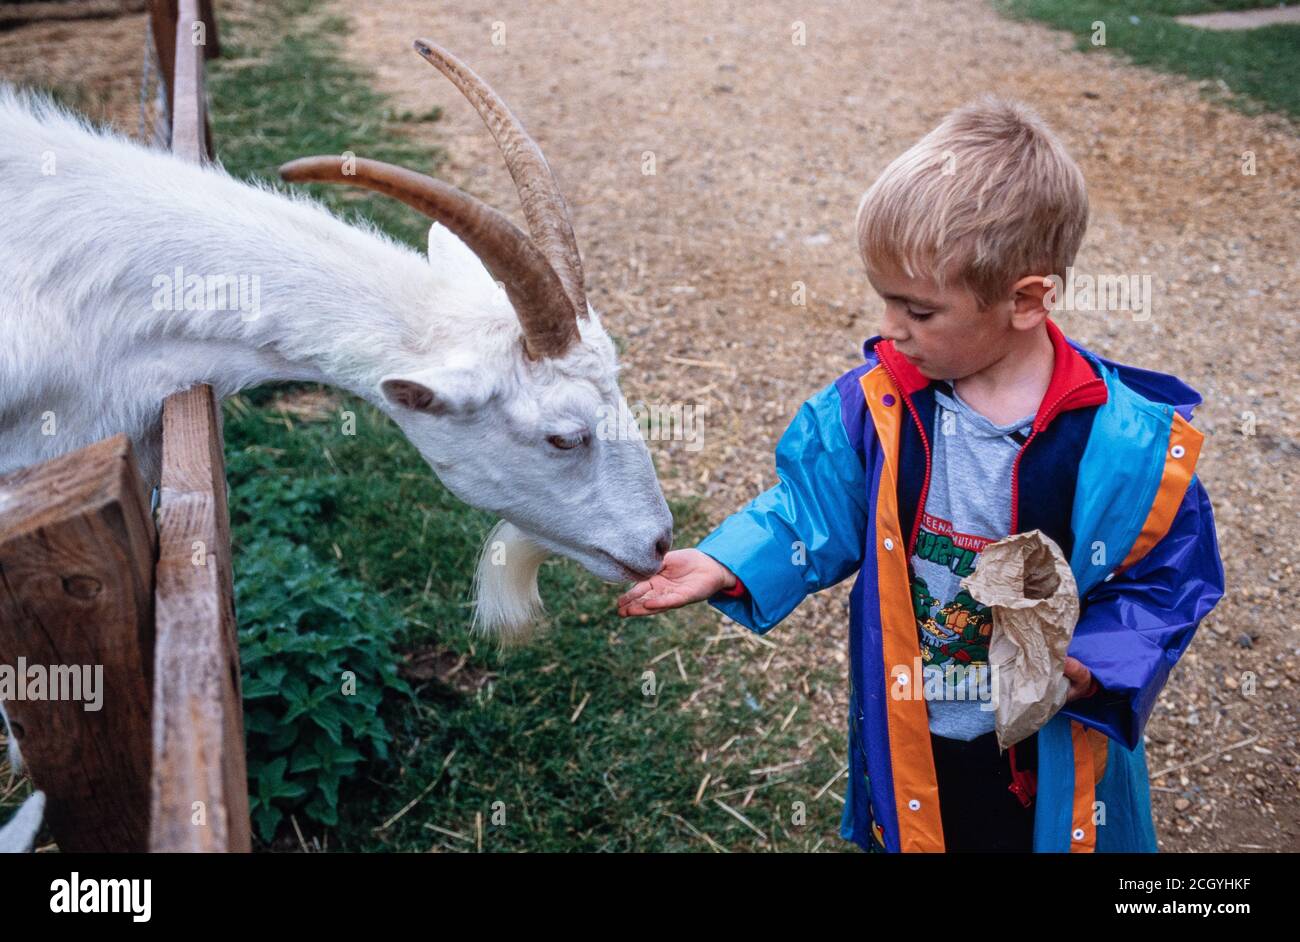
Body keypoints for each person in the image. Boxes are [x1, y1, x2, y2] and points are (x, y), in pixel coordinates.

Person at [617, 96, 1225, 853]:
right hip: (916, 723)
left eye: (919, 310)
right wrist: (725, 561)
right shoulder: (880, 406)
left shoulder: (1126, 448)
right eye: (885, 301)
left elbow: (1166, 582)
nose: (892, 329)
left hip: (1052, 746)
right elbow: (815, 507)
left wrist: (1091, 665)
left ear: (1027, 300)